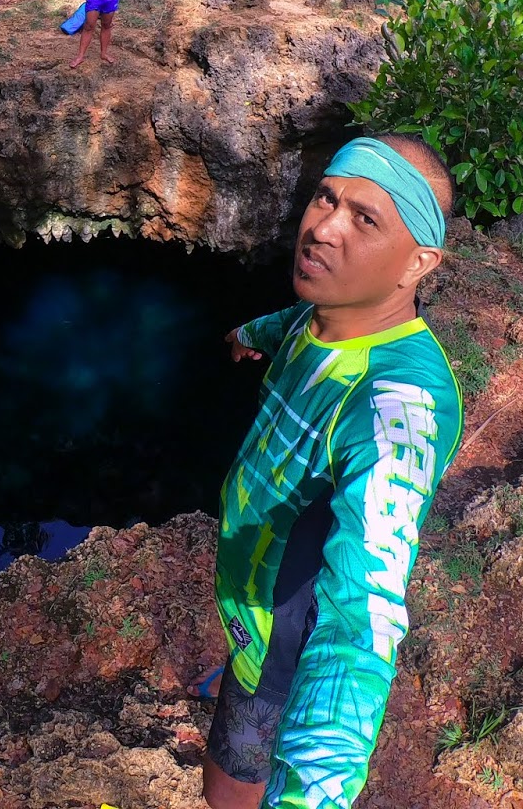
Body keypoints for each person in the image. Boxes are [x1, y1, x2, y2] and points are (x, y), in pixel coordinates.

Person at [198, 134, 465, 809]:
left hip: (285, 627)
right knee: (246, 674)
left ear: (418, 263)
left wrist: (315, 790)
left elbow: (361, 619)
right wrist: (250, 334)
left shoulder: (398, 405)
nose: (322, 227)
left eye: (364, 219)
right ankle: (242, 672)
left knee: (226, 787)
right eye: (325, 198)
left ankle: (254, 704)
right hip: (253, 595)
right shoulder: (329, 316)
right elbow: (293, 323)